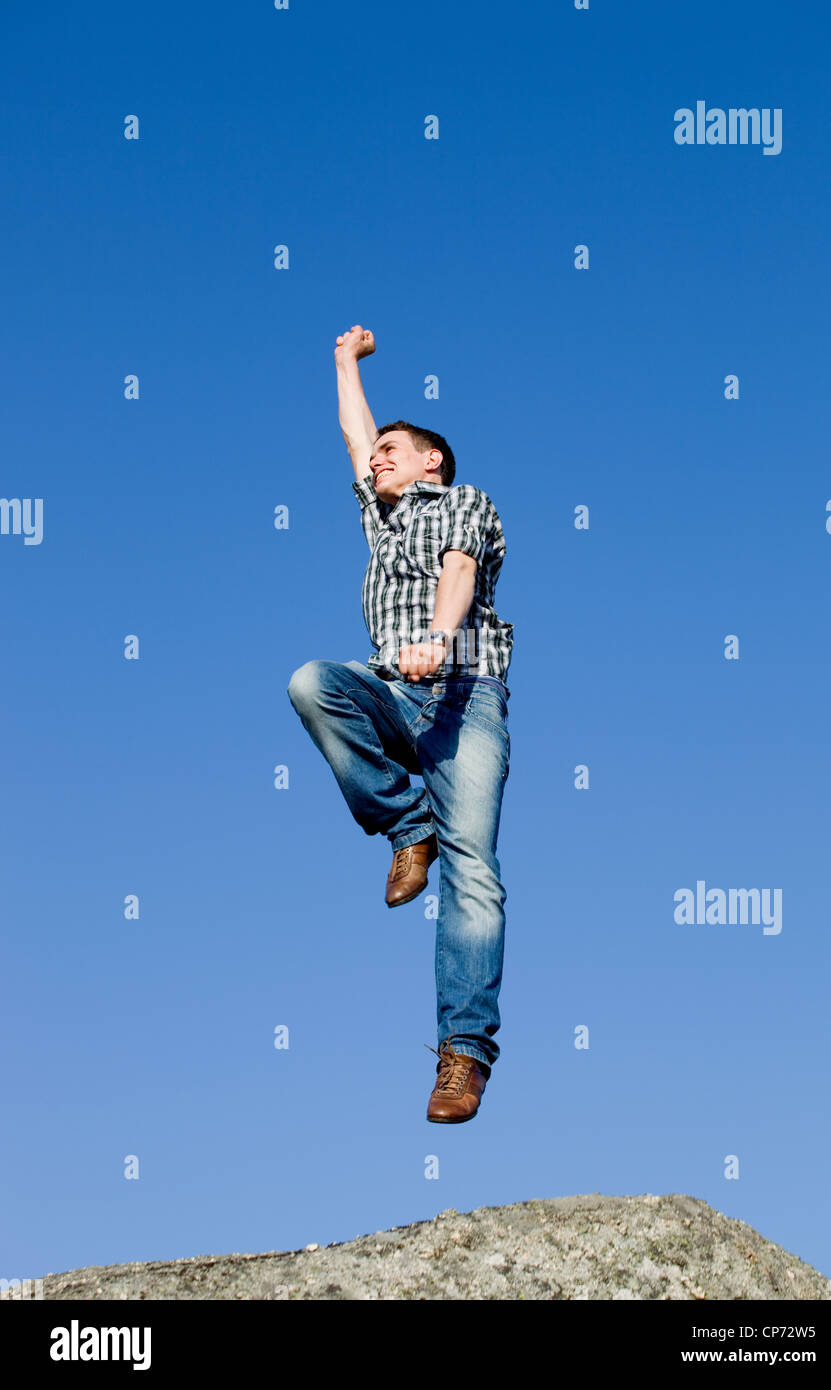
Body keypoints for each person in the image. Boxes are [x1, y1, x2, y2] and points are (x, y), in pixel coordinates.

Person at [287, 325, 514, 1123]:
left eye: (395, 448)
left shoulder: (463, 501)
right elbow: (354, 432)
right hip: (392, 692)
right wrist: (344, 361)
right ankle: (403, 822)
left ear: (432, 461)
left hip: (463, 698)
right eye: (376, 451)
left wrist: (440, 639)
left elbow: (459, 570)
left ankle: (463, 1056)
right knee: (314, 683)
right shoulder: (379, 520)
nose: (377, 456)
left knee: (474, 870)